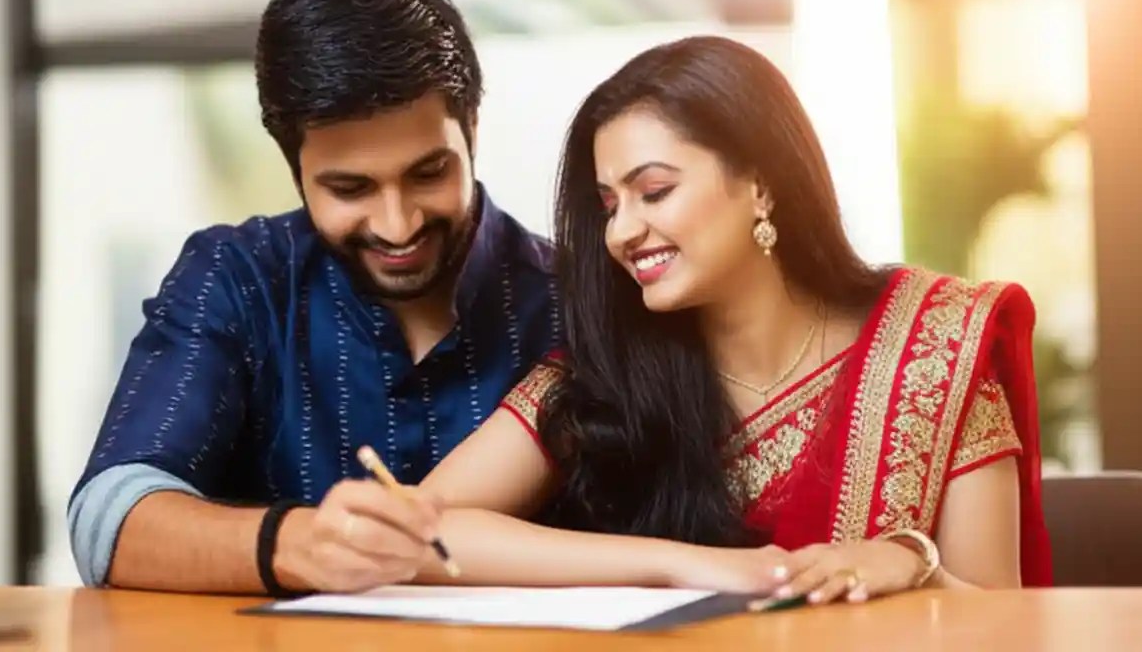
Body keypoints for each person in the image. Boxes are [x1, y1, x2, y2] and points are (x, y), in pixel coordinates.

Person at [403, 35, 1051, 601]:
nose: (623, 230)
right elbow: (418, 532)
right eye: (609, 204)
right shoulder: (609, 376)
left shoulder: (935, 344)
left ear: (762, 184)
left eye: (654, 191)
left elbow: (998, 618)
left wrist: (912, 563)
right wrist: (683, 567)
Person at [67, 0, 560, 594]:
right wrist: (290, 544)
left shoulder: (576, 299)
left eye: (428, 173)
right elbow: (107, 518)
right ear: (294, 167)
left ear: (472, 133)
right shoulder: (237, 278)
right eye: (350, 188)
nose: (397, 222)